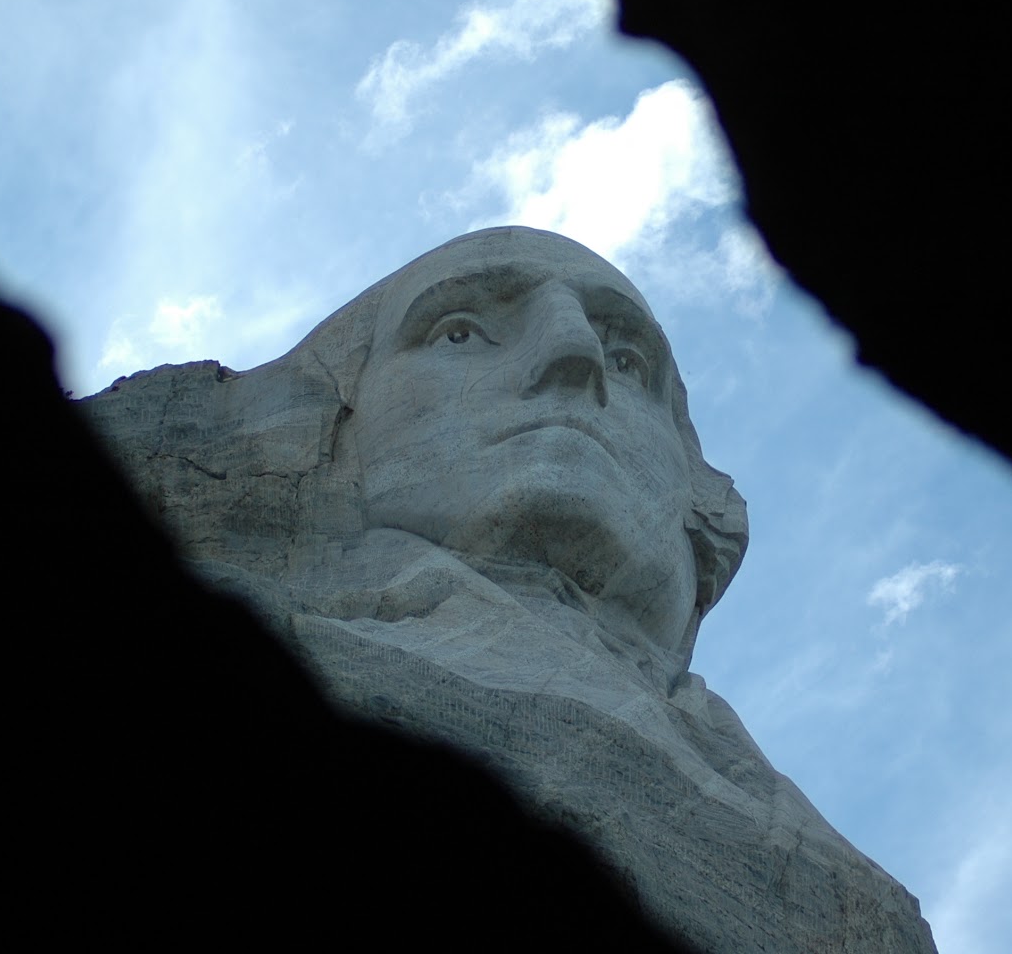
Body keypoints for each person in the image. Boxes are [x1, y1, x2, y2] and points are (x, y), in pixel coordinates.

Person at [81, 227, 935, 952]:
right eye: (460, 331)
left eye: (627, 357)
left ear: (695, 495)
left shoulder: (827, 858)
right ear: (327, 417)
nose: (574, 359)